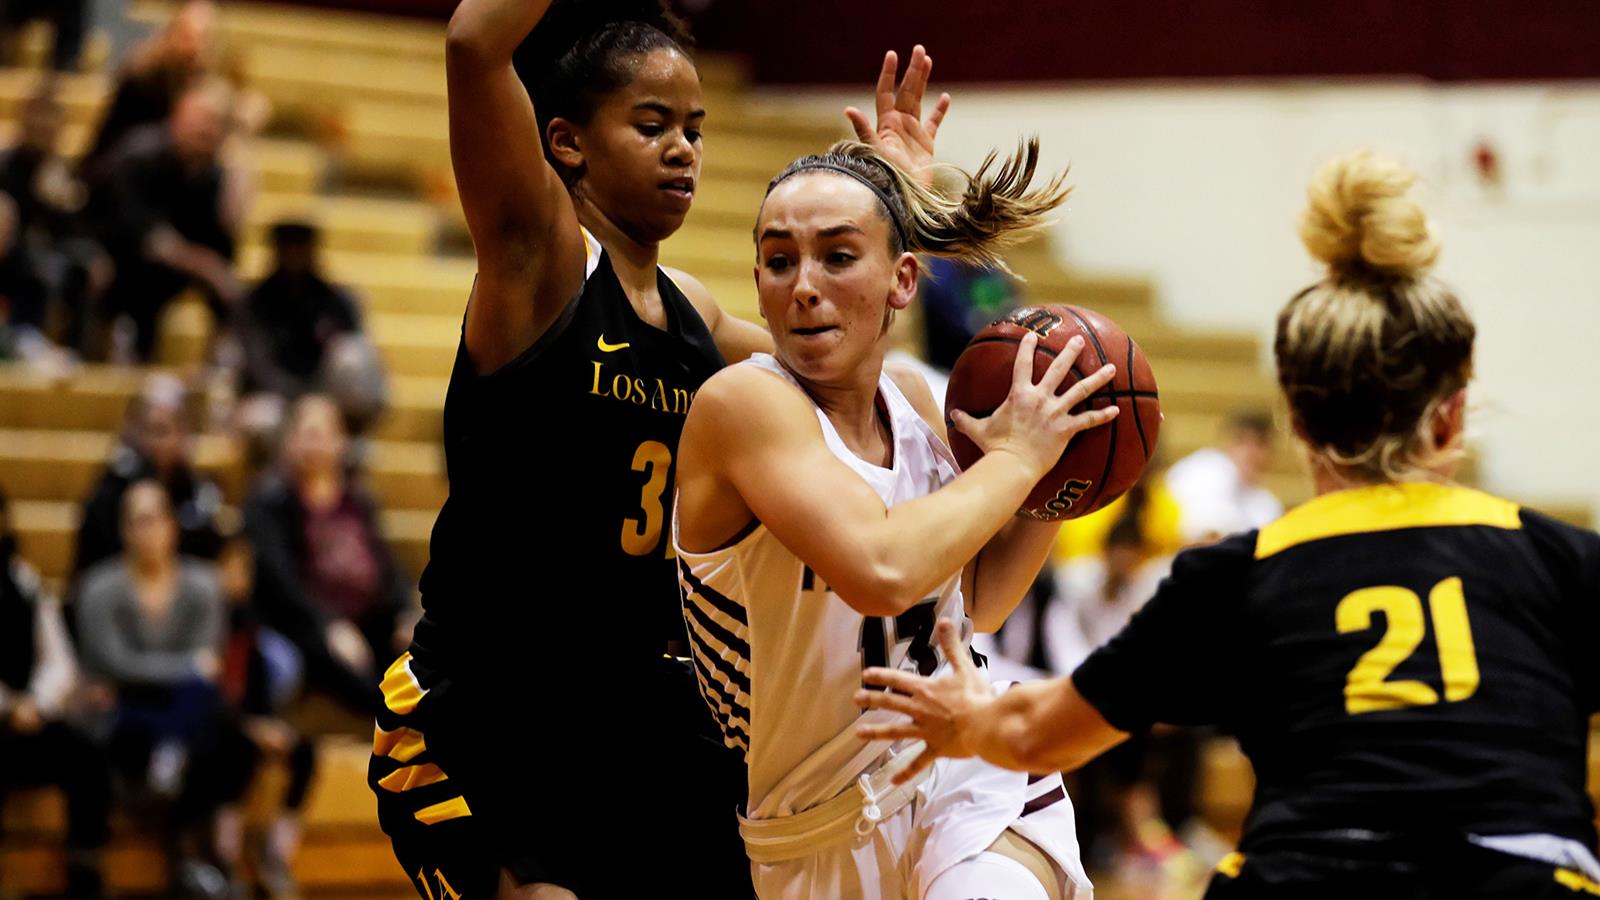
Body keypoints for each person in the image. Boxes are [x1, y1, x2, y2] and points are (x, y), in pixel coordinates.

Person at [857, 151, 1600, 898]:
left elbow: (1036, 734)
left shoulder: (1243, 575)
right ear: (1451, 418)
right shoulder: (1561, 559)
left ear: (1297, 421)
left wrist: (966, 720)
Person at [368, 0, 949, 895]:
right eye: (652, 126)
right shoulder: (541, 263)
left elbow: (850, 356)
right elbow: (474, 44)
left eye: (694, 130)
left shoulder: (694, 314)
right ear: (567, 144)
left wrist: (894, 204)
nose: (683, 150)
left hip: (644, 715)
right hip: (488, 709)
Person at [674, 137, 1106, 899]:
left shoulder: (910, 397)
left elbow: (978, 601)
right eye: (780, 261)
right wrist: (1019, 459)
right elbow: (883, 571)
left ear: (902, 280)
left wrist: (1062, 479)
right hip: (810, 827)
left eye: (838, 257)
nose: (805, 286)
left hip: (968, 774)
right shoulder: (744, 404)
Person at [76, 481, 257, 899]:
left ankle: (199, 850)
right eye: (139, 521)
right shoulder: (98, 587)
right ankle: (190, 848)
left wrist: (165, 672)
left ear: (173, 526)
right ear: (123, 530)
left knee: (231, 735)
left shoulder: (204, 585)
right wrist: (182, 668)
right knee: (185, 712)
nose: (149, 531)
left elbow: (208, 663)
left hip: (181, 705)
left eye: (156, 519)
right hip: (125, 711)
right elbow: (110, 662)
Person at [244, 394, 410, 716]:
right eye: (306, 434)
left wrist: (404, 611)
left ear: (341, 442)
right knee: (365, 680)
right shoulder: (270, 500)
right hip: (307, 625)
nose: (314, 445)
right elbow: (280, 582)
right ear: (289, 441)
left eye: (322, 435)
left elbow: (385, 563)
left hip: (370, 617)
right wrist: (329, 625)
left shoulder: (358, 499)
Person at [0, 488, 111, 900]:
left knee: (87, 756)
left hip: (31, 717)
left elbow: (59, 659)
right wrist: (7, 706)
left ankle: (85, 868)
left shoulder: (23, 580)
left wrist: (37, 702)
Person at [84, 77, 243, 361]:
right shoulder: (140, 154)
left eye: (217, 123)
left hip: (165, 262)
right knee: (133, 275)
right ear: (178, 115)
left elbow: (223, 239)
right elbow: (142, 236)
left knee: (228, 285)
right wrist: (202, 264)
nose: (207, 129)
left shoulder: (210, 174)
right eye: (202, 118)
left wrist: (238, 176)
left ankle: (217, 366)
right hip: (106, 248)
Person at [215, 534, 317, 900]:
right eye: (231, 567)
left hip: (250, 719)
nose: (239, 577)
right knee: (238, 751)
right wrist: (250, 725)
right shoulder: (208, 617)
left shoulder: (251, 621)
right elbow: (213, 690)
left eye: (245, 569)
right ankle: (224, 855)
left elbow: (255, 687)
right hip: (219, 724)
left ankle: (275, 852)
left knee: (304, 751)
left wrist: (268, 724)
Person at [73, 374, 225, 580]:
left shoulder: (198, 489)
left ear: (183, 433)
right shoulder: (111, 490)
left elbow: (210, 559)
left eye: (163, 431)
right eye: (146, 430)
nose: (153, 442)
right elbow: (91, 565)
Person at [82, 0, 217, 171]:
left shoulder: (200, 81)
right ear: (171, 33)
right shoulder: (142, 75)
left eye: (202, 39)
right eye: (188, 38)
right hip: (119, 167)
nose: (194, 47)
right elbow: (131, 143)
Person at [1163, 411, 1281, 542]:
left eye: (1260, 444)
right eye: (1242, 441)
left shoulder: (1267, 504)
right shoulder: (1206, 469)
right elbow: (1208, 538)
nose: (1250, 452)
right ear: (1225, 443)